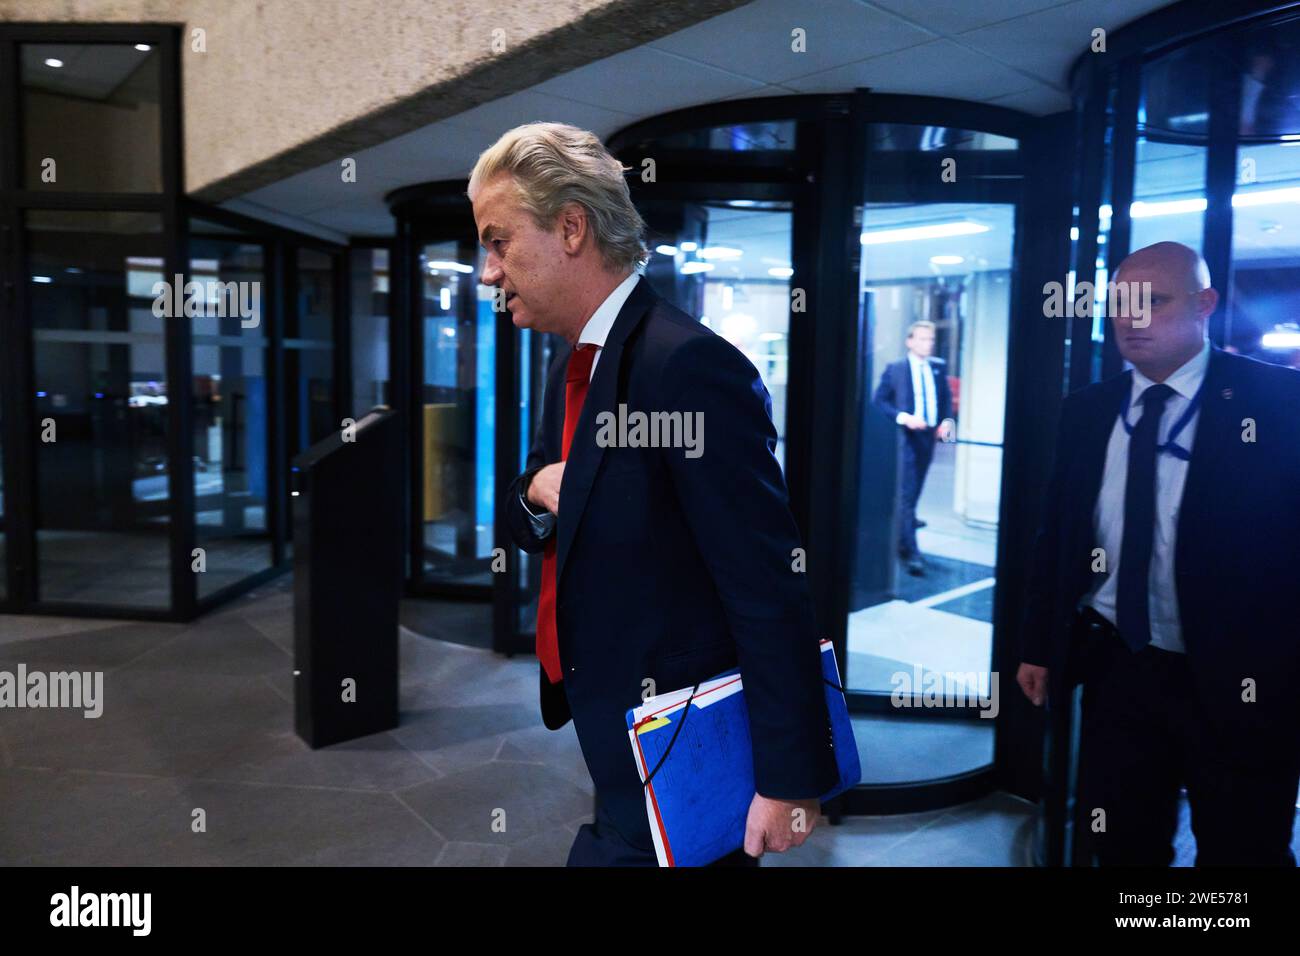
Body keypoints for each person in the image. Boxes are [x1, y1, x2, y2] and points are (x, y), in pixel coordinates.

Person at [469, 122, 838, 867]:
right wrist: (534, 491)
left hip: (681, 742)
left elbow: (766, 581)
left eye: (498, 240)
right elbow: (538, 504)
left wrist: (788, 779)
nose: (486, 272)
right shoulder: (570, 366)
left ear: (571, 228)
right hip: (606, 726)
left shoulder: (687, 367)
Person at [1016, 241, 1300, 866]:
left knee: (1243, 849)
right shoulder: (1087, 411)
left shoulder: (1279, 405)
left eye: (1154, 301)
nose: (1129, 317)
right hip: (1121, 665)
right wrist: (1039, 644)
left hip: (1240, 677)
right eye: (1119, 301)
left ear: (1205, 305)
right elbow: (1057, 538)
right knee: (1121, 843)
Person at [872, 320, 955, 575]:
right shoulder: (896, 369)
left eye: (930, 339)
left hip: (928, 438)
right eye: (921, 339)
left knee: (914, 492)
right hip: (906, 438)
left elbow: (946, 403)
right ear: (910, 341)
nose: (927, 344)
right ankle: (912, 552)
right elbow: (879, 401)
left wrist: (947, 425)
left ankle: (902, 539)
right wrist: (904, 417)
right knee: (907, 494)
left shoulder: (938, 370)